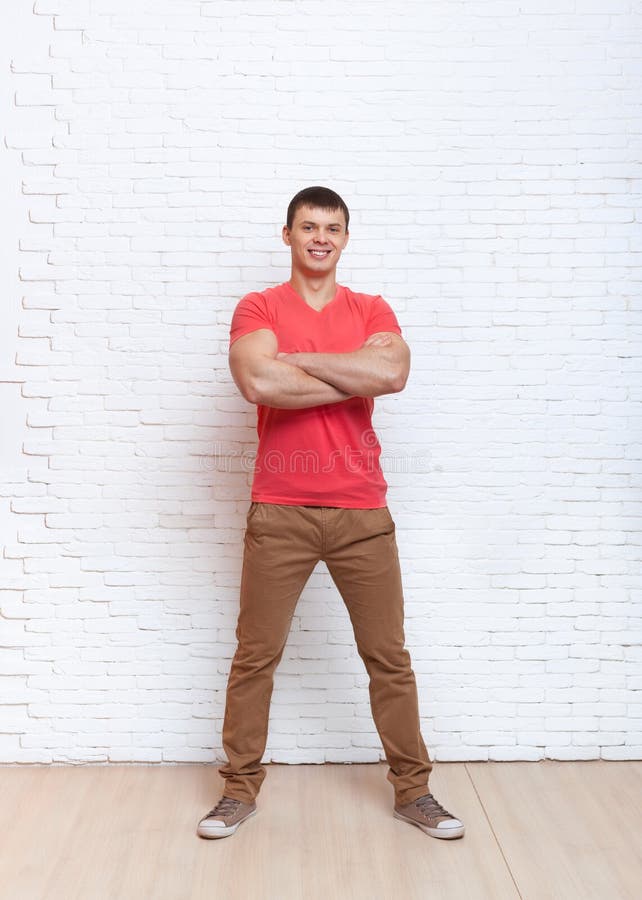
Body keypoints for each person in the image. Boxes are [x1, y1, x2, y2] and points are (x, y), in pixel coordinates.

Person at [197, 186, 465, 841]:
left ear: (345, 238)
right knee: (255, 657)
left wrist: (297, 362)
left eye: (332, 228)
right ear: (287, 235)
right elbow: (258, 381)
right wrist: (351, 372)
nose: (321, 237)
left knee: (388, 659)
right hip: (279, 511)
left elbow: (392, 374)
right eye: (309, 226)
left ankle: (414, 792)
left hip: (362, 513)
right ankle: (237, 791)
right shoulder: (260, 306)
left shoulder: (370, 307)